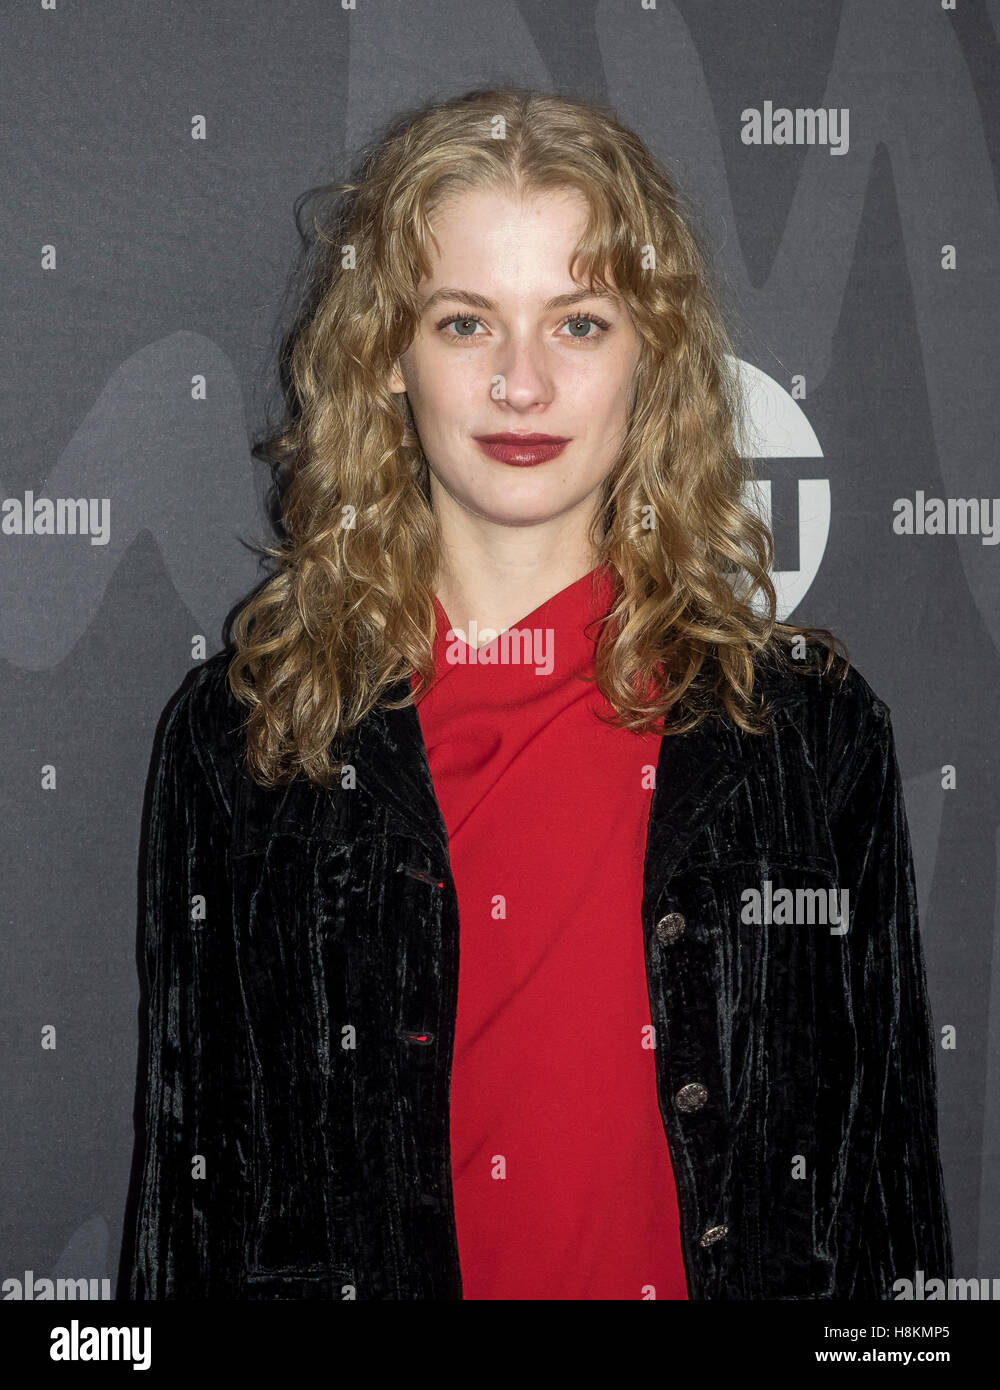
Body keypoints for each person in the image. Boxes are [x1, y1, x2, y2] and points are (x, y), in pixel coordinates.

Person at [119, 87, 952, 1301]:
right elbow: (185, 1202)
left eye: (577, 324)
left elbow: (887, 1194)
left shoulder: (807, 733)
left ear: (650, 356)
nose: (520, 384)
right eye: (464, 323)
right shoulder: (248, 734)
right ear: (386, 358)